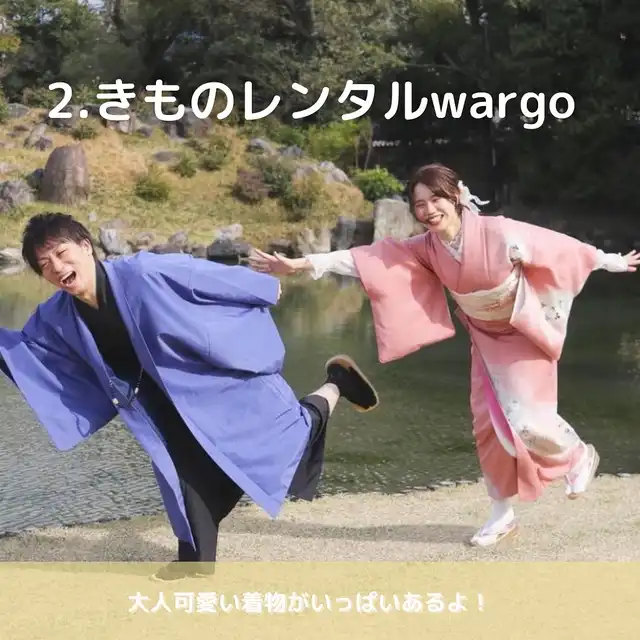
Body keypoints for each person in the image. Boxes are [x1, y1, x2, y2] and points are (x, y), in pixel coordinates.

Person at [249, 162, 640, 548]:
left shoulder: (497, 232)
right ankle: (501, 516)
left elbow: (557, 248)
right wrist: (301, 263)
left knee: (525, 419)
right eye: (419, 204)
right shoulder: (427, 249)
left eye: (436, 199)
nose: (429, 210)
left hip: (522, 331)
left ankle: (576, 455)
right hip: (485, 339)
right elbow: (365, 259)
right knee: (488, 428)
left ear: (456, 196)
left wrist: (611, 260)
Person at [0, 212, 379, 580]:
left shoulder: (142, 272)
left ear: (85, 246)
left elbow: (198, 275)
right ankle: (194, 561)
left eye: (61, 253)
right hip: (158, 404)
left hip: (211, 381)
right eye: (45, 264)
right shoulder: (57, 315)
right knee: (181, 474)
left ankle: (335, 384)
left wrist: (260, 287)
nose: (57, 267)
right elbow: (24, 354)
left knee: (290, 436)